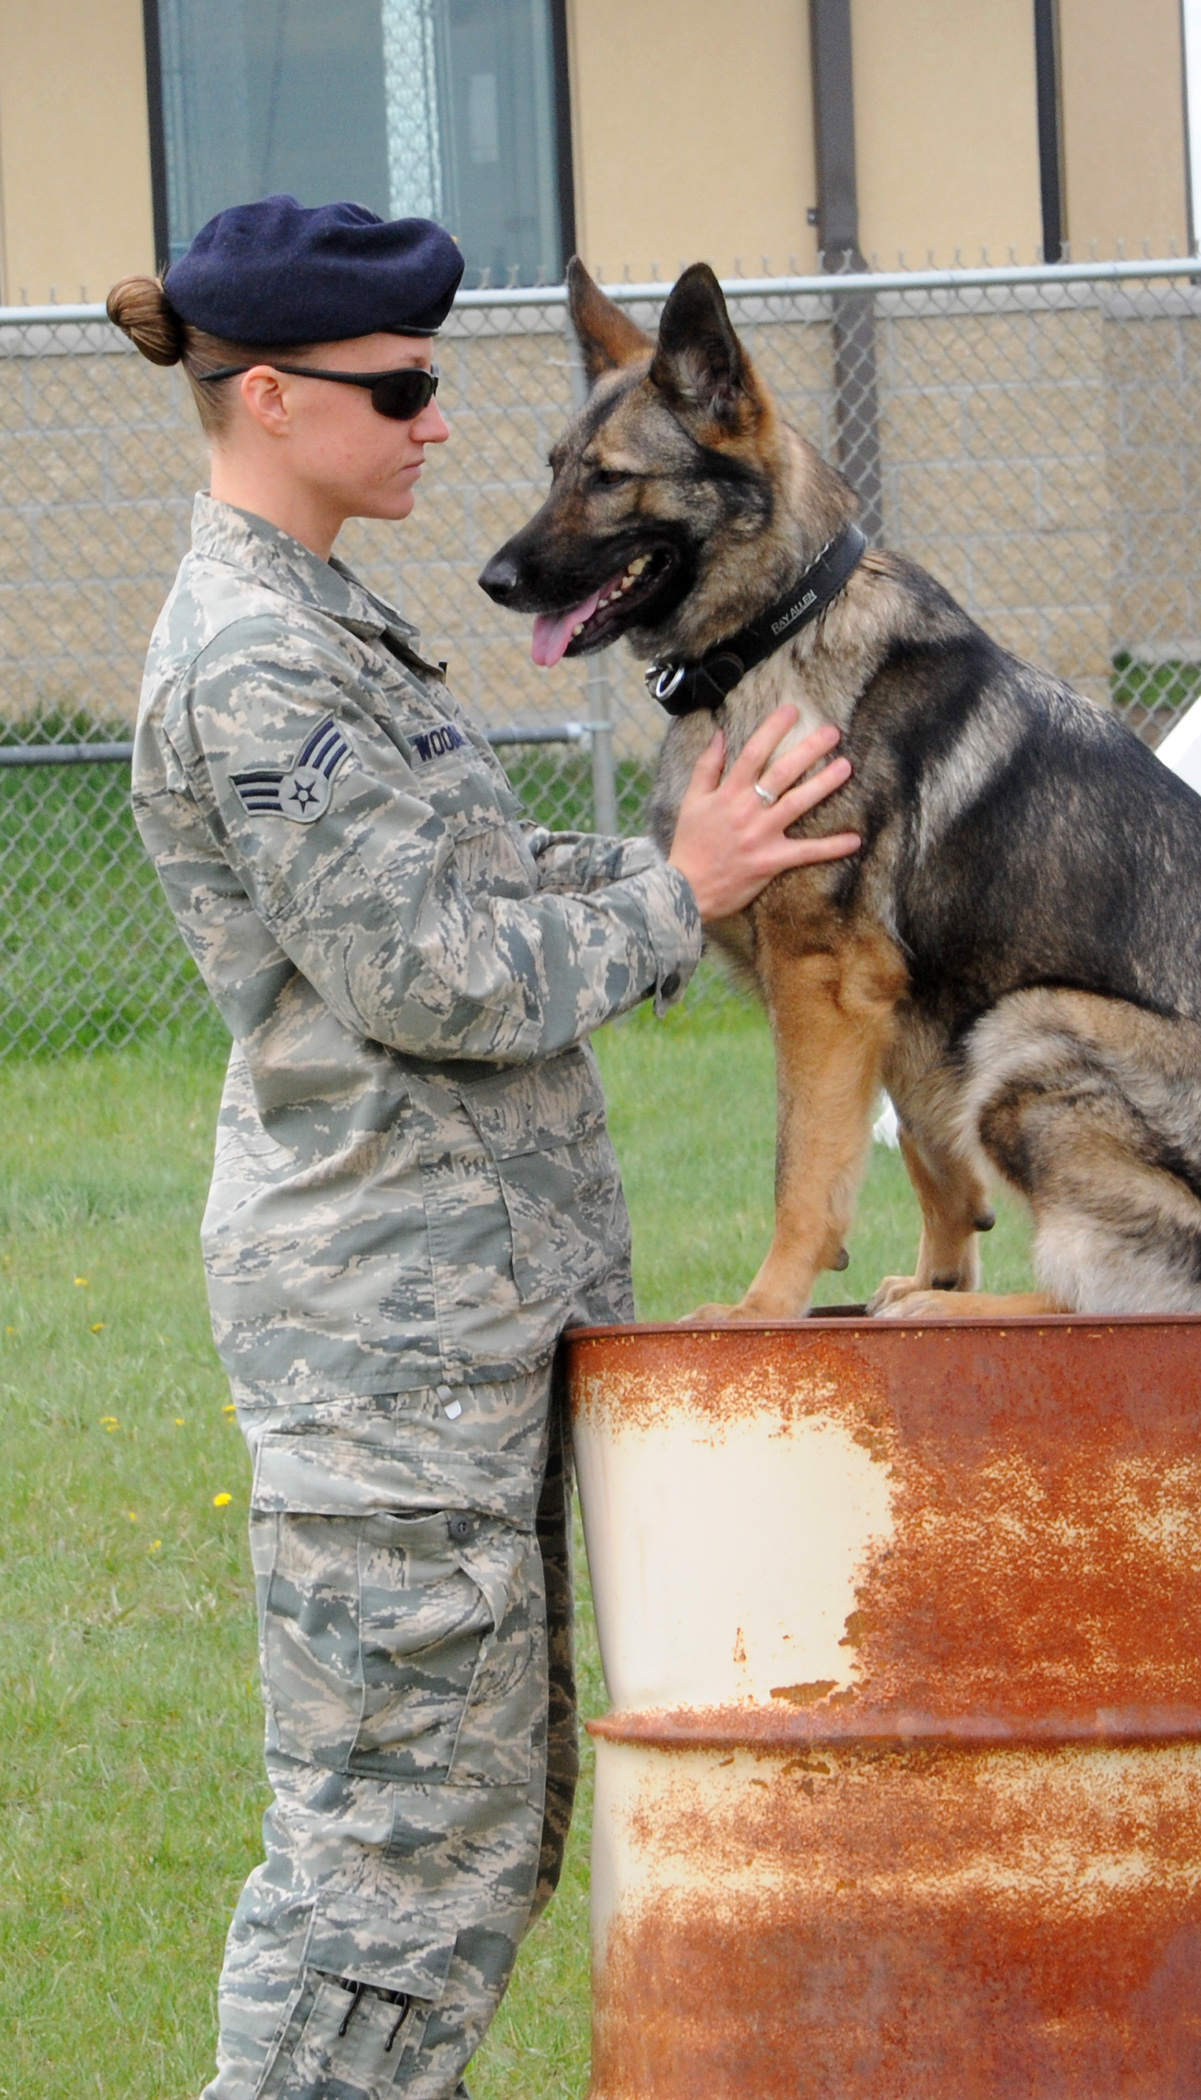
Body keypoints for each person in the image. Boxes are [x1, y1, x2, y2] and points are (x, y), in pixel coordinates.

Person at [108, 195, 859, 2100]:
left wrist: (700, 865)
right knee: (385, 1884)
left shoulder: (332, 633)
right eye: (404, 387)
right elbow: (428, 971)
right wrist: (675, 896)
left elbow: (494, 878)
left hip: (464, 1339)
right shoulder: (255, 665)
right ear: (270, 397)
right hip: (388, 1358)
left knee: (473, 1845)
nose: (441, 421)